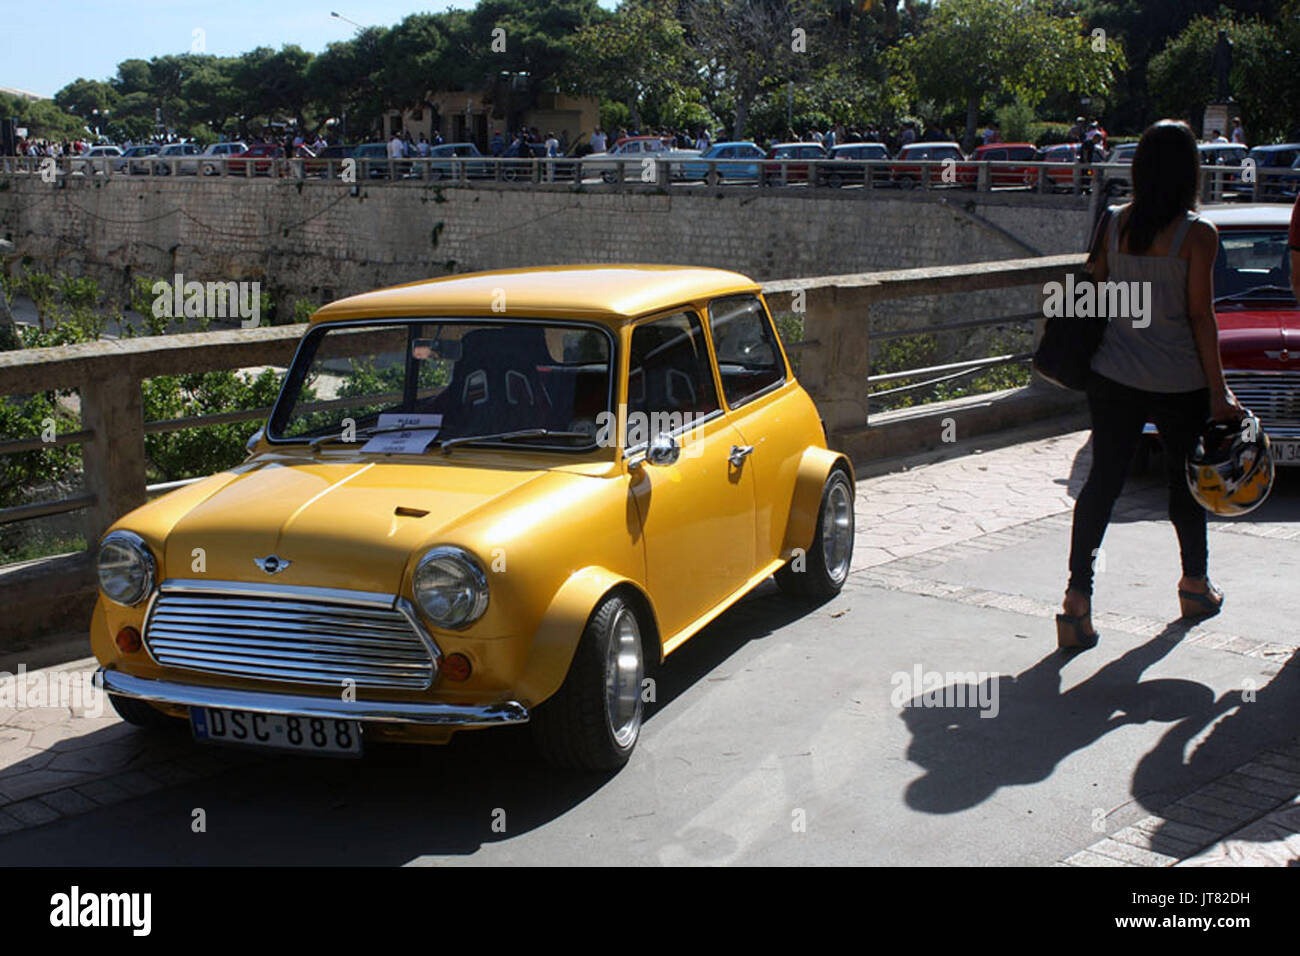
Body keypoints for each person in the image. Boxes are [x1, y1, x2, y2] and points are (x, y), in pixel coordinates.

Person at [1058, 119, 1244, 650]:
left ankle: (1077, 600)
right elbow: (1201, 317)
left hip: (1113, 376)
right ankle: (1193, 584)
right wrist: (1218, 390)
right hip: (1178, 380)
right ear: (1190, 172)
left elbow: (1093, 290)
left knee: (1102, 486)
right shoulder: (1198, 235)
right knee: (1186, 483)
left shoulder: (1114, 222)